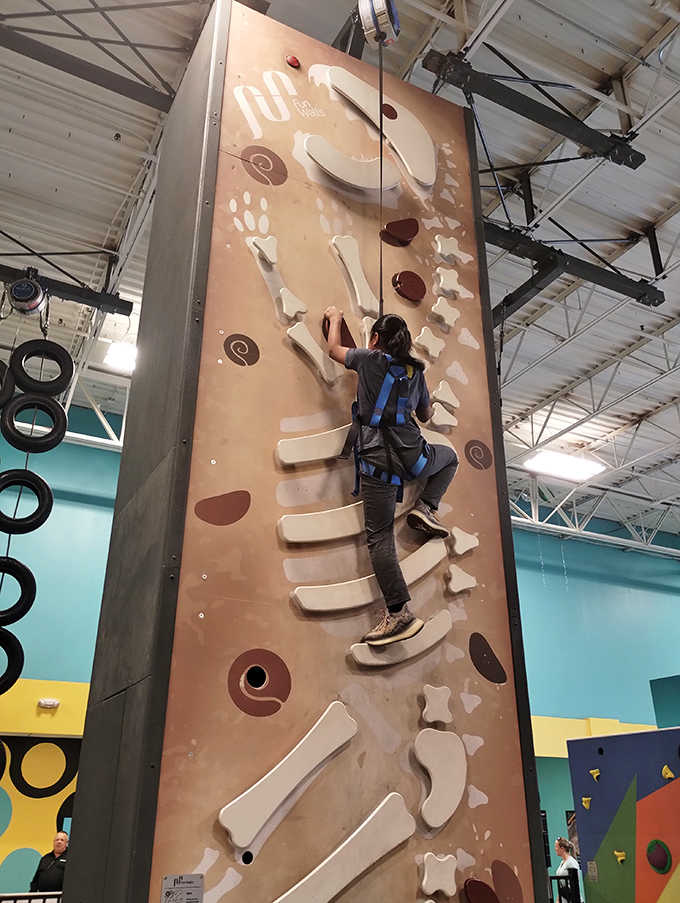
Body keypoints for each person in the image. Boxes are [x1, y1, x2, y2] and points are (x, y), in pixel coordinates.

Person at [325, 308, 458, 646]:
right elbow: (425, 414)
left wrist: (335, 318)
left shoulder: (367, 359)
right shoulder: (416, 371)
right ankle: (426, 507)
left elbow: (333, 350)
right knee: (450, 458)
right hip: (414, 458)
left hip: (377, 465)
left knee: (380, 537)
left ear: (375, 339)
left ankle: (399, 613)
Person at [555, 837, 581, 903]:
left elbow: (575, 884)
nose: (555, 849)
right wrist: (558, 899)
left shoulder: (571, 862)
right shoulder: (562, 862)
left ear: (562, 848)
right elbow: (561, 885)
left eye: (556, 847)